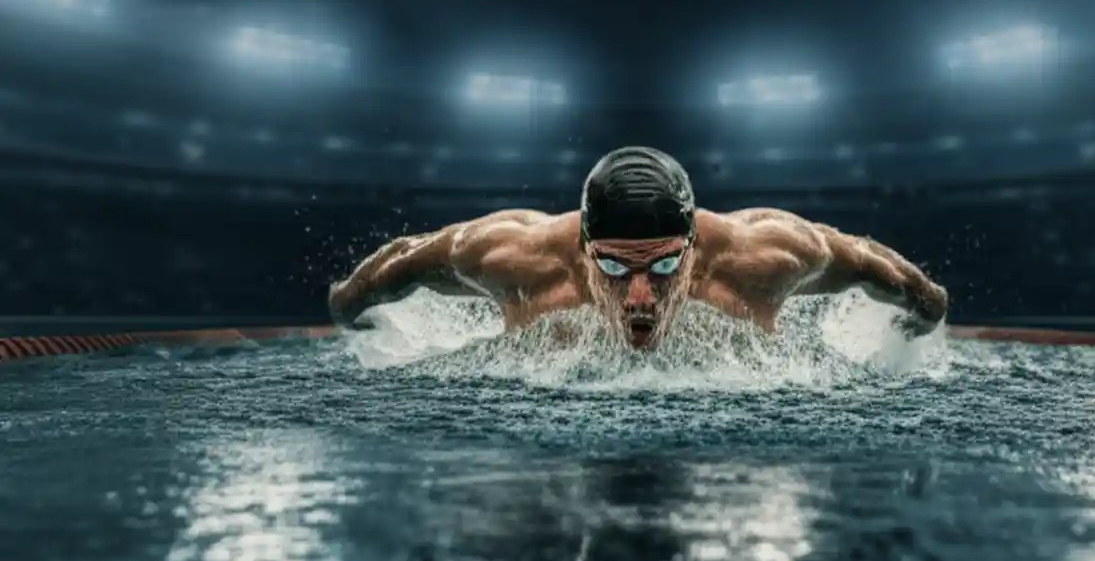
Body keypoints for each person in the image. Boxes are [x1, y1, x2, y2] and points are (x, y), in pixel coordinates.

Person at [329, 146, 948, 349]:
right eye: (614, 267)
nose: (641, 297)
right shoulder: (515, 259)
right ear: (583, 246)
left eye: (666, 264)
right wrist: (348, 302)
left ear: (695, 245)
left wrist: (926, 305)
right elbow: (405, 259)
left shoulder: (762, 259)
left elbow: (867, 260)